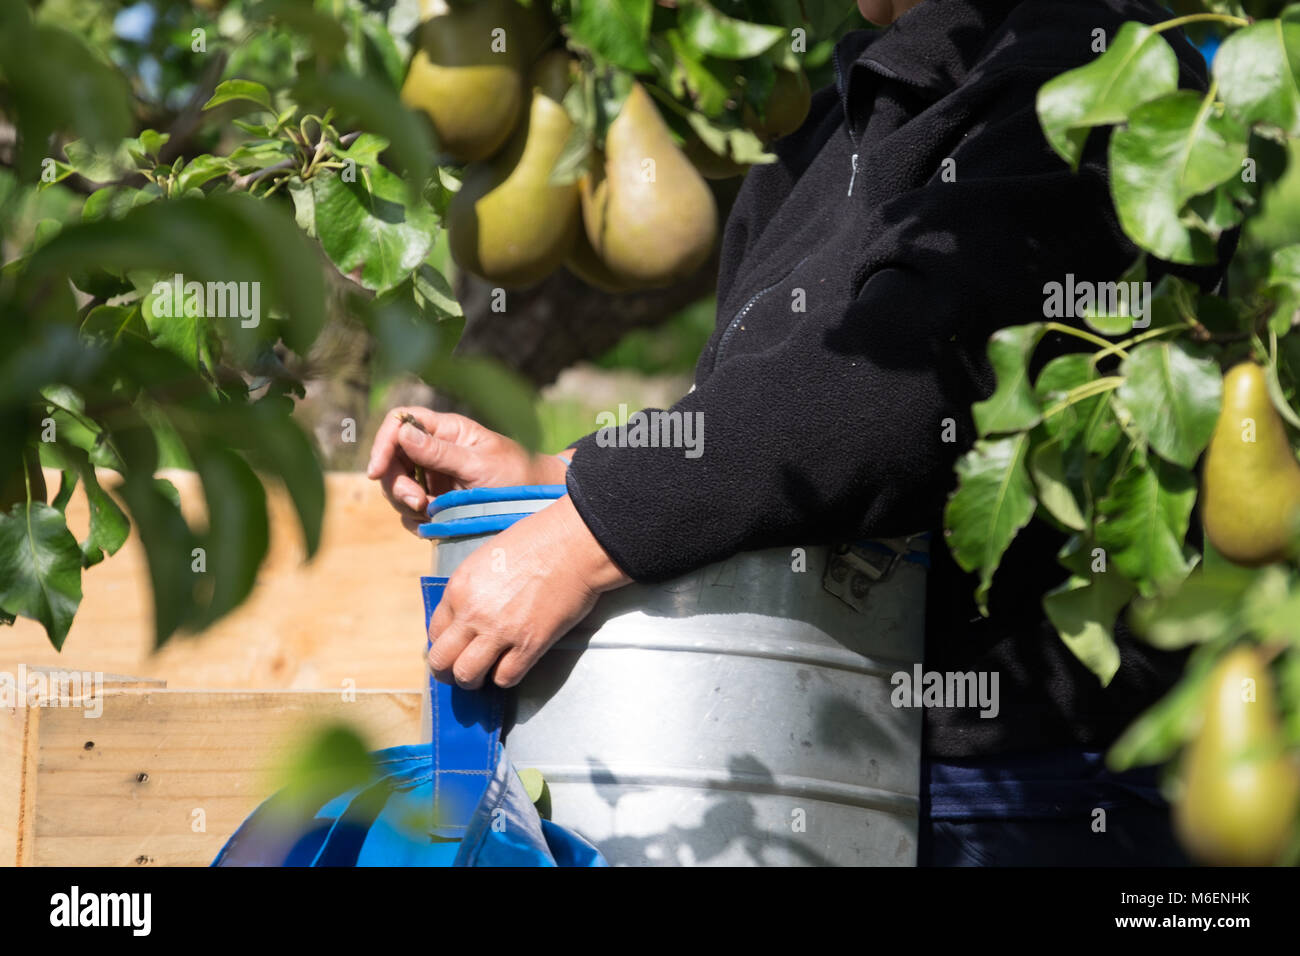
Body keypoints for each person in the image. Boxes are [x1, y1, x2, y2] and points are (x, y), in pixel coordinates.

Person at [367, 0, 1227, 865]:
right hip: (837, 761)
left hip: (1032, 793)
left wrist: (585, 534)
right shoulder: (827, 133)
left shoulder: (1096, 77)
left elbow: (901, 385)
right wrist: (561, 474)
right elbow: (764, 411)